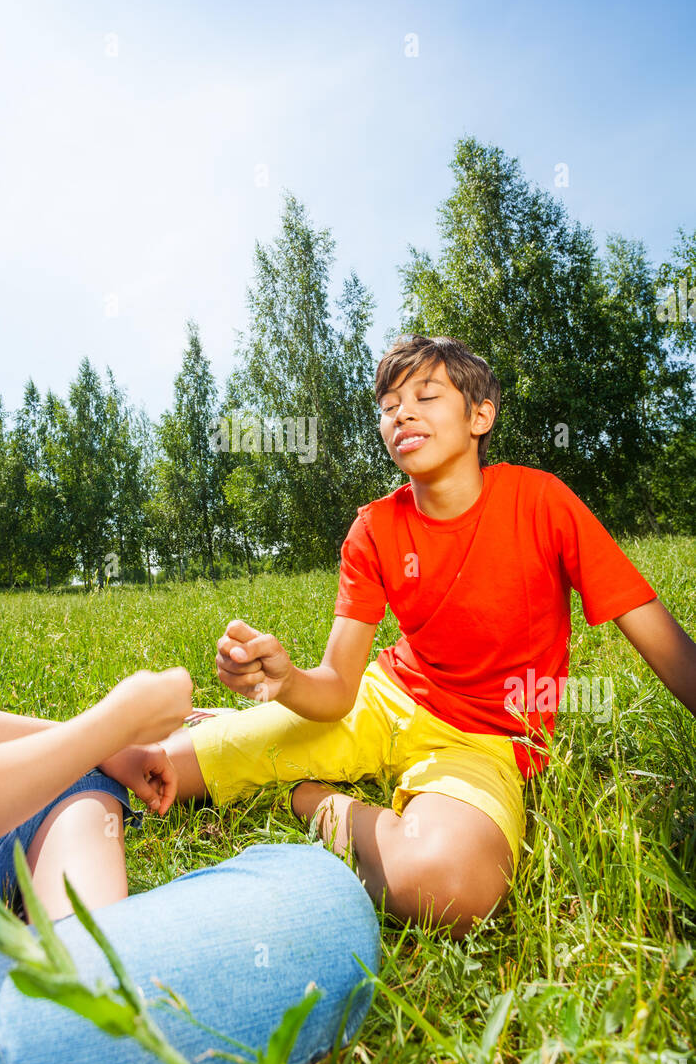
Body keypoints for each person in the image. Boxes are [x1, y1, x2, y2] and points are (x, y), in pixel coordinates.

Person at [0, 168, 380, 1064]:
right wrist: (117, 716)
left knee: (70, 778)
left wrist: (100, 744)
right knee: (324, 906)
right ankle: (92, 1024)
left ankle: (89, 1000)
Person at [163, 335, 696, 939]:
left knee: (448, 888)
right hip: (381, 700)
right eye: (388, 405)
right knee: (161, 771)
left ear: (479, 416)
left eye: (426, 395)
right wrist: (285, 681)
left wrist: (316, 798)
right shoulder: (373, 529)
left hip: (486, 742)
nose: (401, 413)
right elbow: (337, 689)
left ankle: (317, 802)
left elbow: (662, 641)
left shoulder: (542, 502)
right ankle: (198, 735)